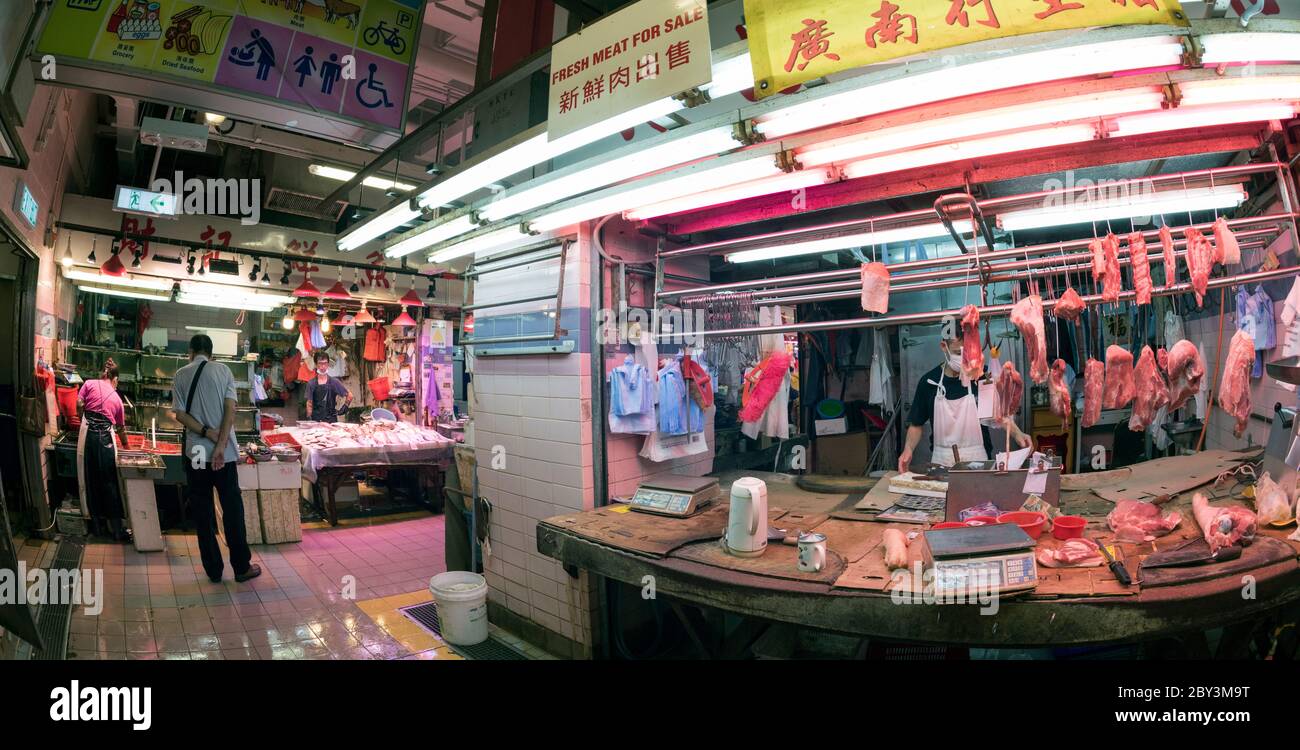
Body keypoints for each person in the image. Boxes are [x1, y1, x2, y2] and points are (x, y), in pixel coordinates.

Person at [172, 335, 261, 583]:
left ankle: (213, 570)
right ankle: (241, 568)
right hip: (225, 454)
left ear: (191, 352)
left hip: (197, 453)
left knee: (202, 511)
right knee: (231, 508)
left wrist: (204, 432)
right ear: (211, 352)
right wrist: (220, 445)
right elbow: (231, 410)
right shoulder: (223, 371)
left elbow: (180, 414)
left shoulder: (180, 374)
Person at [897, 337, 1033, 473]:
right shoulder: (929, 382)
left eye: (967, 353)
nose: (963, 359)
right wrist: (908, 449)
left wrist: (1018, 434)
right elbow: (916, 424)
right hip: (941, 463)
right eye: (957, 353)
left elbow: (998, 415)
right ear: (944, 346)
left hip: (979, 462)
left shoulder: (982, 376)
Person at [77, 359, 127, 540]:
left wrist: (81, 419)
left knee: (90, 482)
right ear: (115, 379)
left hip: (87, 438)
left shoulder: (88, 384)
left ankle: (96, 528)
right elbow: (121, 428)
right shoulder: (117, 399)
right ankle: (116, 530)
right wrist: (126, 445)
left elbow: (79, 403)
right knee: (110, 484)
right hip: (106, 441)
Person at [305, 350, 352, 423]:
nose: (323, 367)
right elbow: (309, 404)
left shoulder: (334, 382)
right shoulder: (311, 384)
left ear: (328, 364)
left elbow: (349, 395)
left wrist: (344, 407)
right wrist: (309, 420)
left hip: (332, 423)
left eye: (325, 363)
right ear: (316, 364)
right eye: (320, 364)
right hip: (316, 422)